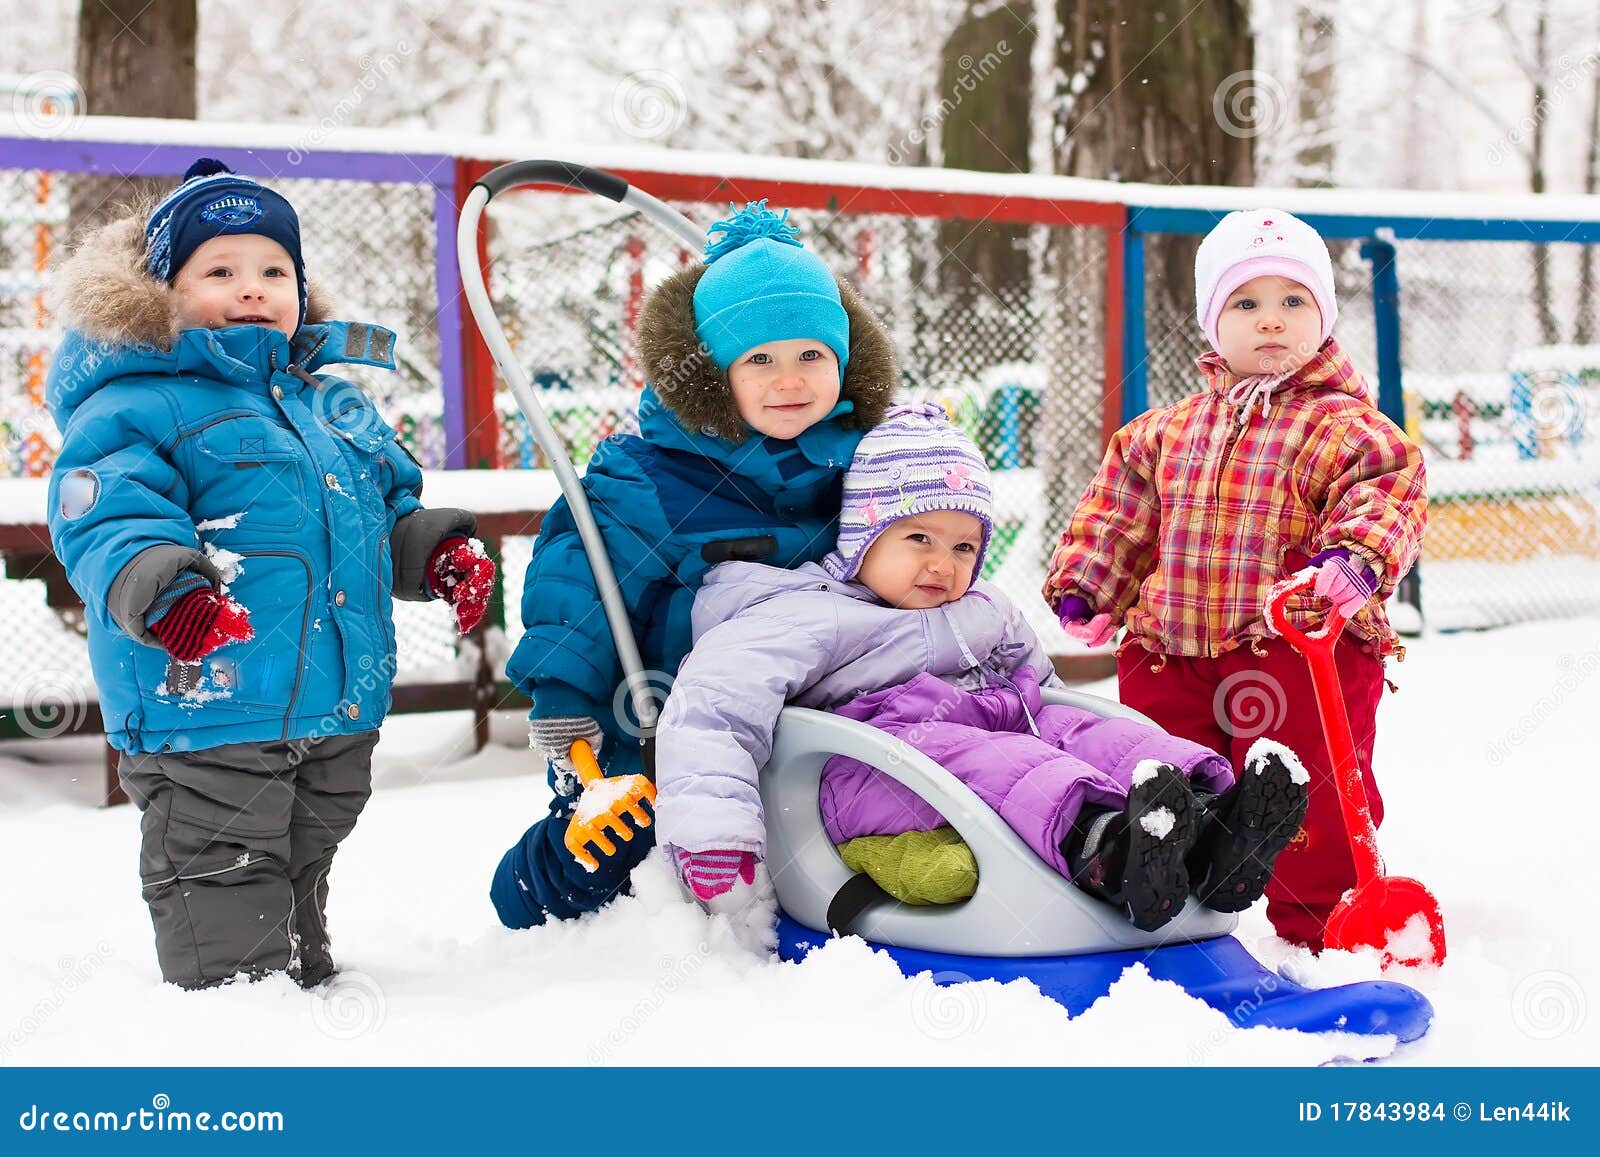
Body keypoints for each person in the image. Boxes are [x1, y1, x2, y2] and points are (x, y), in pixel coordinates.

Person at [47, 159, 493, 988]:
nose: (252, 287)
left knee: (304, 853)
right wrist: (169, 589)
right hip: (206, 699)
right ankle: (237, 1019)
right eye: (220, 271)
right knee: (221, 867)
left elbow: (383, 510)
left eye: (274, 270)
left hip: (334, 704)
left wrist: (433, 551)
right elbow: (104, 511)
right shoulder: (137, 402)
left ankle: (299, 981)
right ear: (161, 292)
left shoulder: (330, 405)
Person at [656, 406, 1310, 932]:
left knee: (1083, 729)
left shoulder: (985, 609)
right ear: (862, 537)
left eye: (964, 546)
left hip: (990, 737)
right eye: (919, 538)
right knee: (996, 756)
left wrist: (1075, 733)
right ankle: (1108, 850)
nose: (943, 564)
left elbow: (1046, 692)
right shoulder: (807, 614)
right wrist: (714, 834)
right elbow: (713, 705)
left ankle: (1206, 825)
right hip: (874, 770)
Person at [492, 202, 897, 927]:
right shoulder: (652, 480)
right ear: (712, 373)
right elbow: (578, 580)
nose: (790, 381)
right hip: (660, 722)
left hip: (806, 717)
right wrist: (563, 693)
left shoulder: (869, 464)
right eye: (759, 360)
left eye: (812, 355)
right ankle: (542, 878)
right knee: (624, 848)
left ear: (845, 361)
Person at [1043, 208, 1427, 948]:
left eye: (1293, 300)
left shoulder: (1350, 427)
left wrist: (1353, 561)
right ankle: (1176, 909)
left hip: (1299, 651)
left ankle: (1322, 923)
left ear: (1324, 315)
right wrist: (1090, 585)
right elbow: (1120, 512)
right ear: (1212, 323)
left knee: (1306, 792)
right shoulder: (1163, 431)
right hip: (1171, 651)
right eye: (1245, 302)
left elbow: (1386, 494)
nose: (1271, 320)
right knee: (1171, 780)